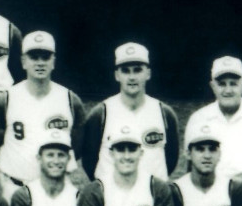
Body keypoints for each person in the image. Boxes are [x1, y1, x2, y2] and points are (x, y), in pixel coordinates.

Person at [0, 31, 87, 189]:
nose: (40, 63)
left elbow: (78, 146)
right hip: (15, 186)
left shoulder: (70, 100)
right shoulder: (5, 100)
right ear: (23, 61)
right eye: (34, 57)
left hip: (57, 187)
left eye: (45, 57)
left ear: (53, 62)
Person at [77, 42, 180, 183]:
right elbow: (89, 162)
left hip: (153, 194)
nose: (132, 77)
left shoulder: (164, 113)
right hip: (111, 194)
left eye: (137, 70)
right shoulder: (101, 113)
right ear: (117, 75)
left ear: (148, 73)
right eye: (125, 71)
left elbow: (171, 160)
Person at [182, 56, 242, 187]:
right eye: (222, 84)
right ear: (213, 86)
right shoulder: (198, 119)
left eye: (233, 83)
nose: (228, 90)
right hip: (208, 192)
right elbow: (190, 168)